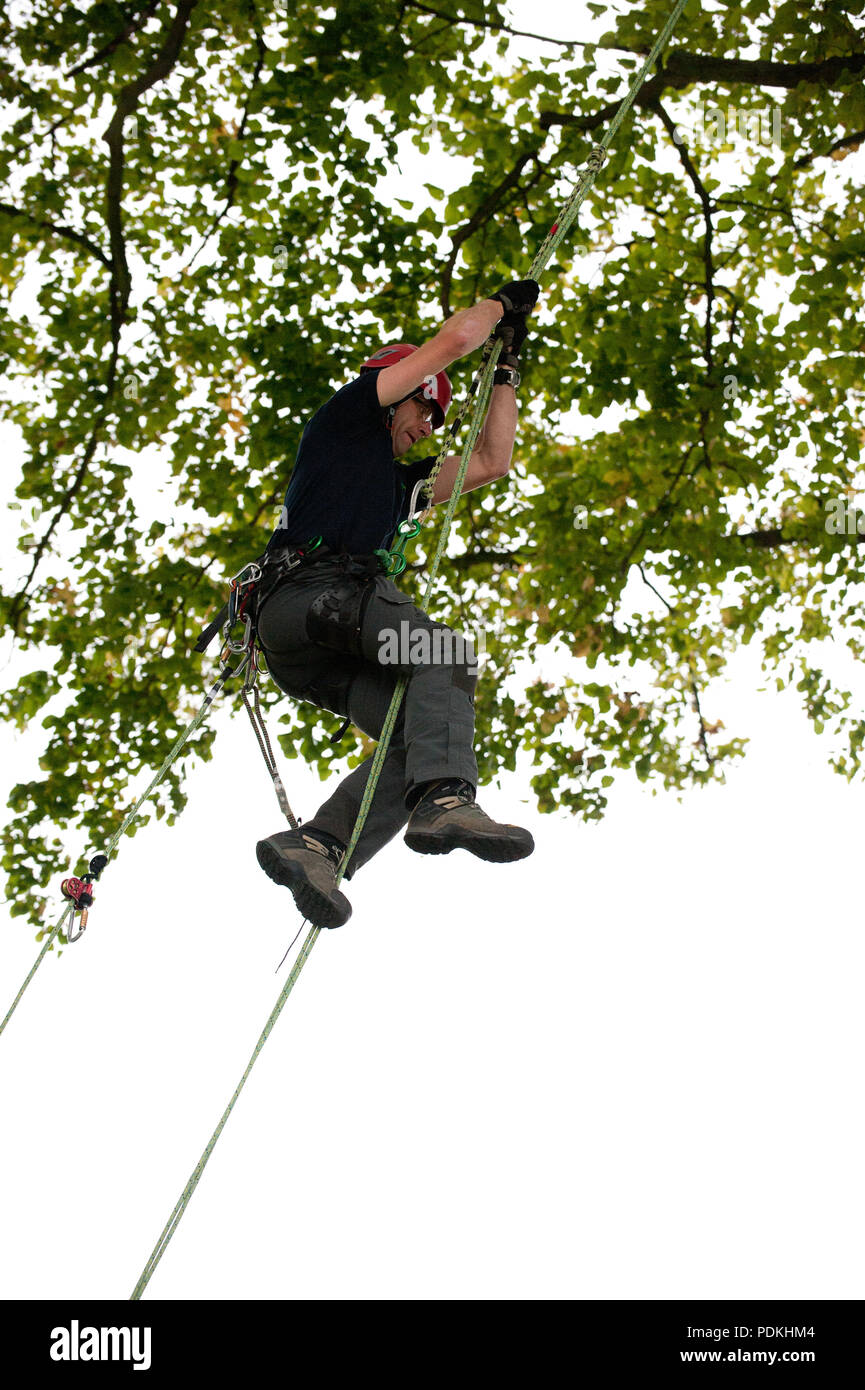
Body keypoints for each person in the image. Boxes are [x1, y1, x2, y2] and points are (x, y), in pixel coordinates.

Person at [255, 280, 540, 928]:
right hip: (317, 595)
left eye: (436, 422)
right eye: (424, 412)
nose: (426, 430)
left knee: (417, 732)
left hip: (311, 646)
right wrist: (499, 308)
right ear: (394, 391)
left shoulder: (401, 485)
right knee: (443, 654)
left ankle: (321, 845)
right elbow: (453, 339)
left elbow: (492, 460)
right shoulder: (349, 419)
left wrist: (507, 367)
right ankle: (444, 799)